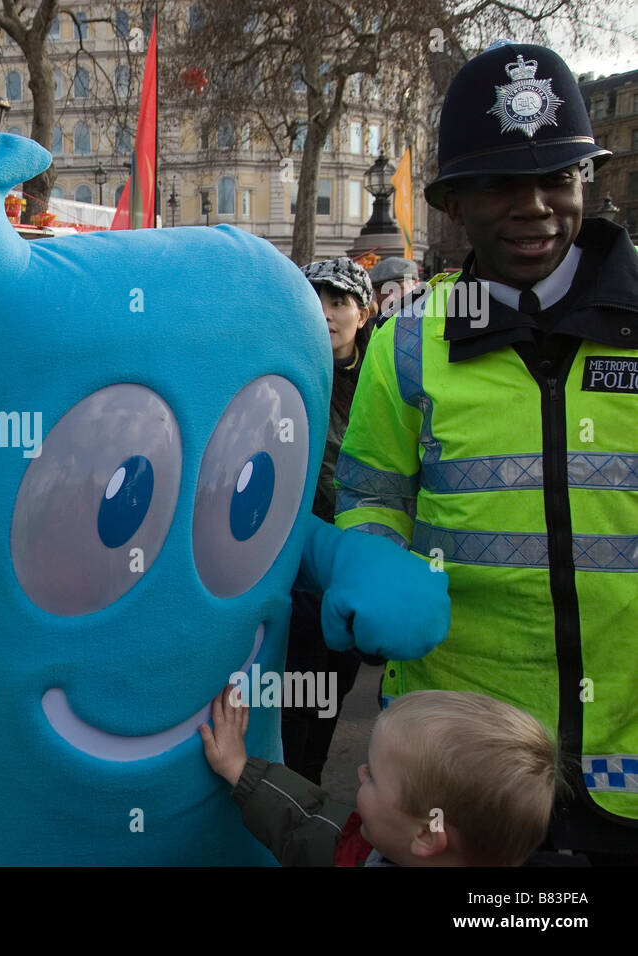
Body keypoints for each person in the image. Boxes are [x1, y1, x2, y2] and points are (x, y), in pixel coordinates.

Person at [335, 42, 638, 863]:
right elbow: (370, 500)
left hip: (629, 767)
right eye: (502, 183)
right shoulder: (405, 346)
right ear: (454, 205)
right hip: (462, 773)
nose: (535, 206)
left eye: (558, 179)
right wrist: (366, 561)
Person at [201, 684, 560, 866]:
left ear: (425, 833)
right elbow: (311, 823)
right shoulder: (377, 841)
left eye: (373, 776)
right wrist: (240, 769)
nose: (360, 772)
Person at [282, 257, 375, 784]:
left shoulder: (383, 378)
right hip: (290, 565)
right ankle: (291, 797)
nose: (324, 312)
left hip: (351, 562)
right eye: (313, 298)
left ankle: (305, 792)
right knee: (293, 696)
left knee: (326, 697)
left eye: (338, 301)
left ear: (363, 312)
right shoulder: (284, 365)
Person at [369, 256, 422, 323]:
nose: (390, 298)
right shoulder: (369, 328)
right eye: (382, 291)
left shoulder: (434, 318)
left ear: (416, 284)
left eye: (397, 288)